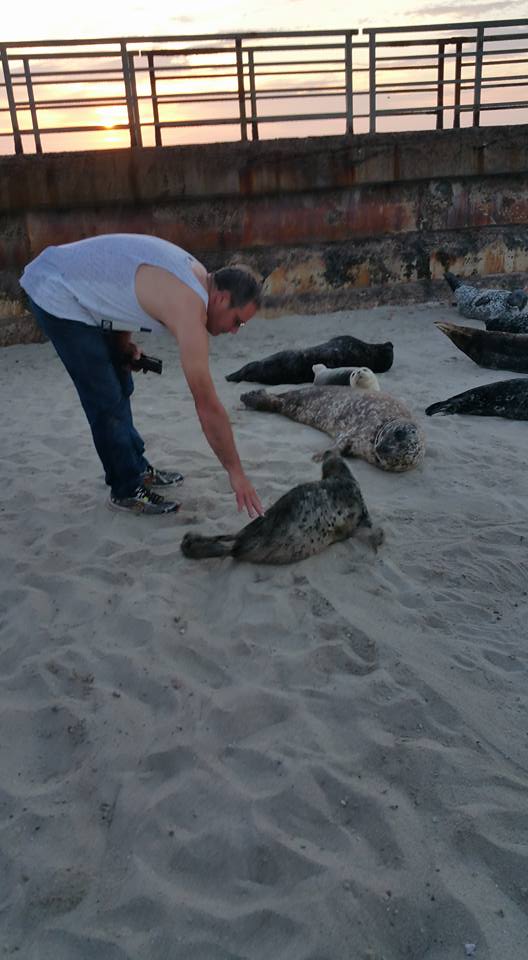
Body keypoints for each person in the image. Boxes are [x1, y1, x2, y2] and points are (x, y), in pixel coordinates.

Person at [20, 233, 264, 518]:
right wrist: (236, 474)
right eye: (238, 321)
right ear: (222, 298)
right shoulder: (190, 305)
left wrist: (122, 347)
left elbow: (124, 295)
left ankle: (134, 466)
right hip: (56, 291)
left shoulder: (195, 275)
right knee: (105, 397)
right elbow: (206, 405)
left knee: (121, 378)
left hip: (76, 286)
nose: (234, 331)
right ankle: (125, 489)